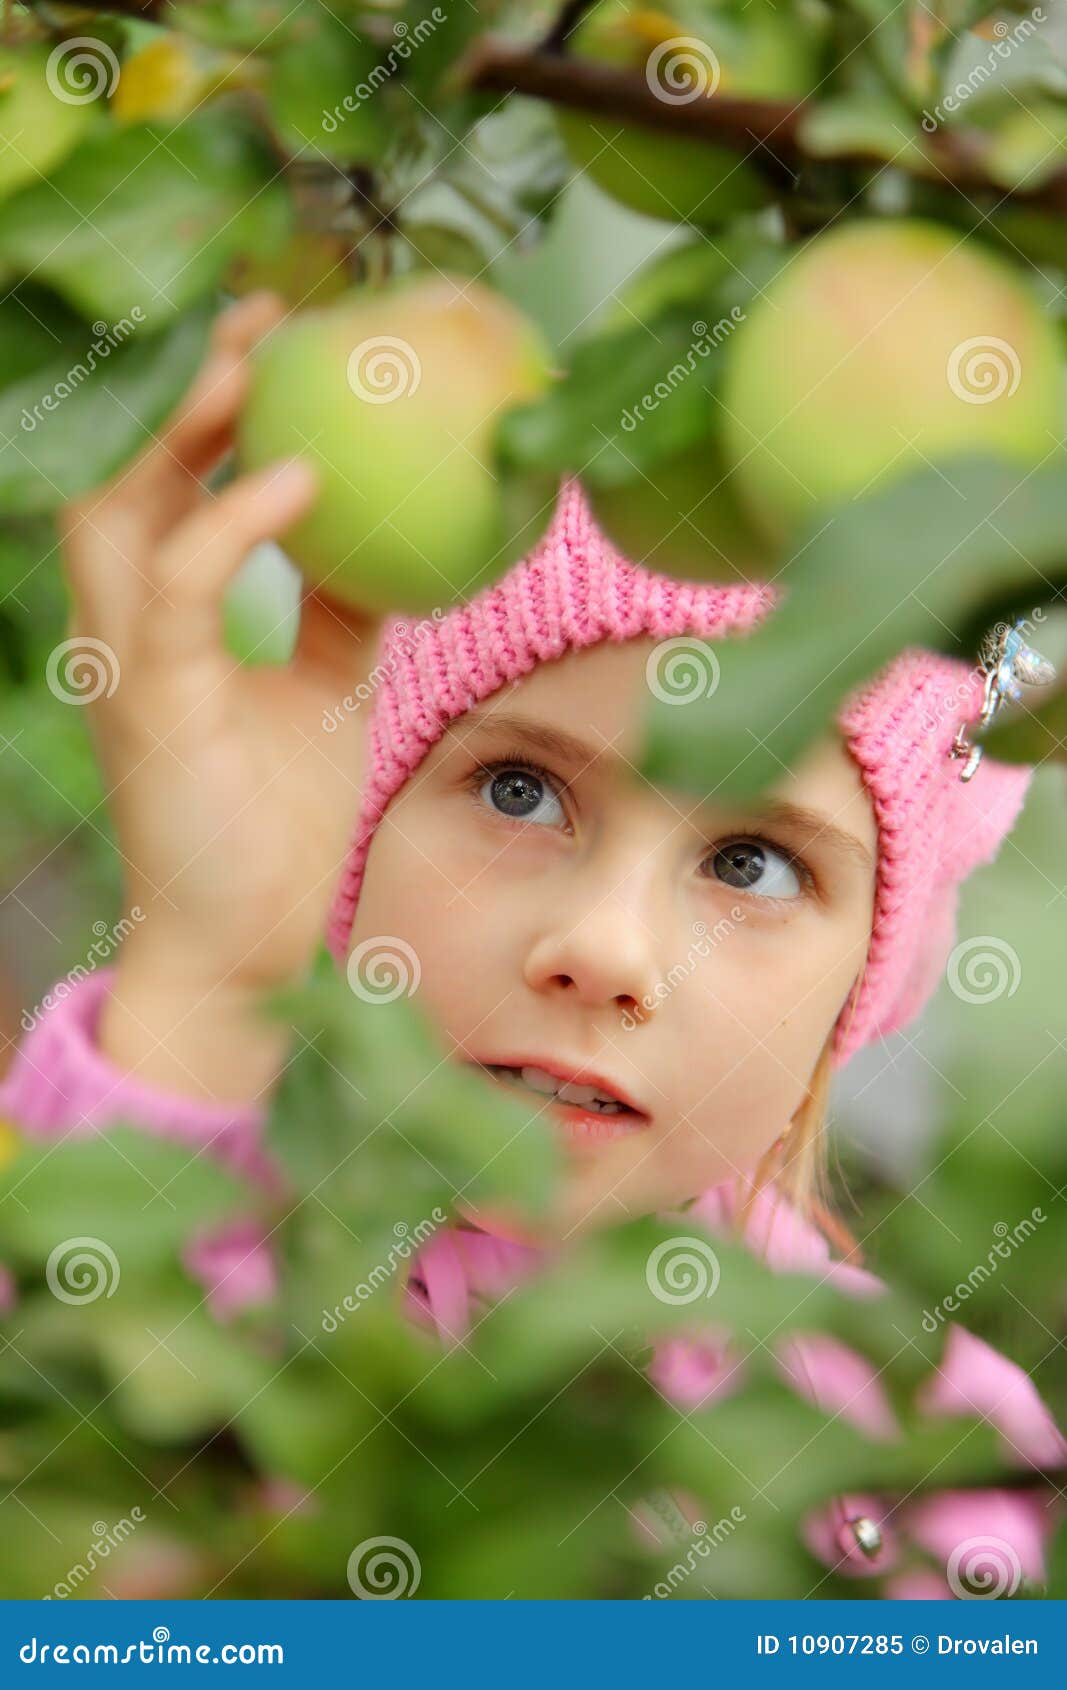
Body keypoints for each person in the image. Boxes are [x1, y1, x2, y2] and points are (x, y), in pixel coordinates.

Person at [1, 293, 1062, 1599]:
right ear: (360, 827)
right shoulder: (153, 1248)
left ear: (867, 982)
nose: (602, 947)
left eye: (752, 864)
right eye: (518, 791)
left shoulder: (937, 1488)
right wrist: (215, 968)